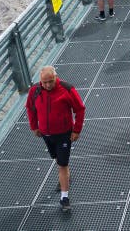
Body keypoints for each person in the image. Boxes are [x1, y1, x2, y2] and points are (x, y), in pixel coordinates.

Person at [26, 66, 85, 213]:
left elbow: (80, 109)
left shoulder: (67, 89)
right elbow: (30, 108)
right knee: (58, 159)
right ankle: (66, 177)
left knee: (62, 164)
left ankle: (64, 197)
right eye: (44, 82)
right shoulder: (35, 91)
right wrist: (34, 127)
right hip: (46, 134)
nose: (47, 85)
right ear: (40, 81)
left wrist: (76, 130)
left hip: (64, 134)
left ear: (55, 77)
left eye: (50, 81)